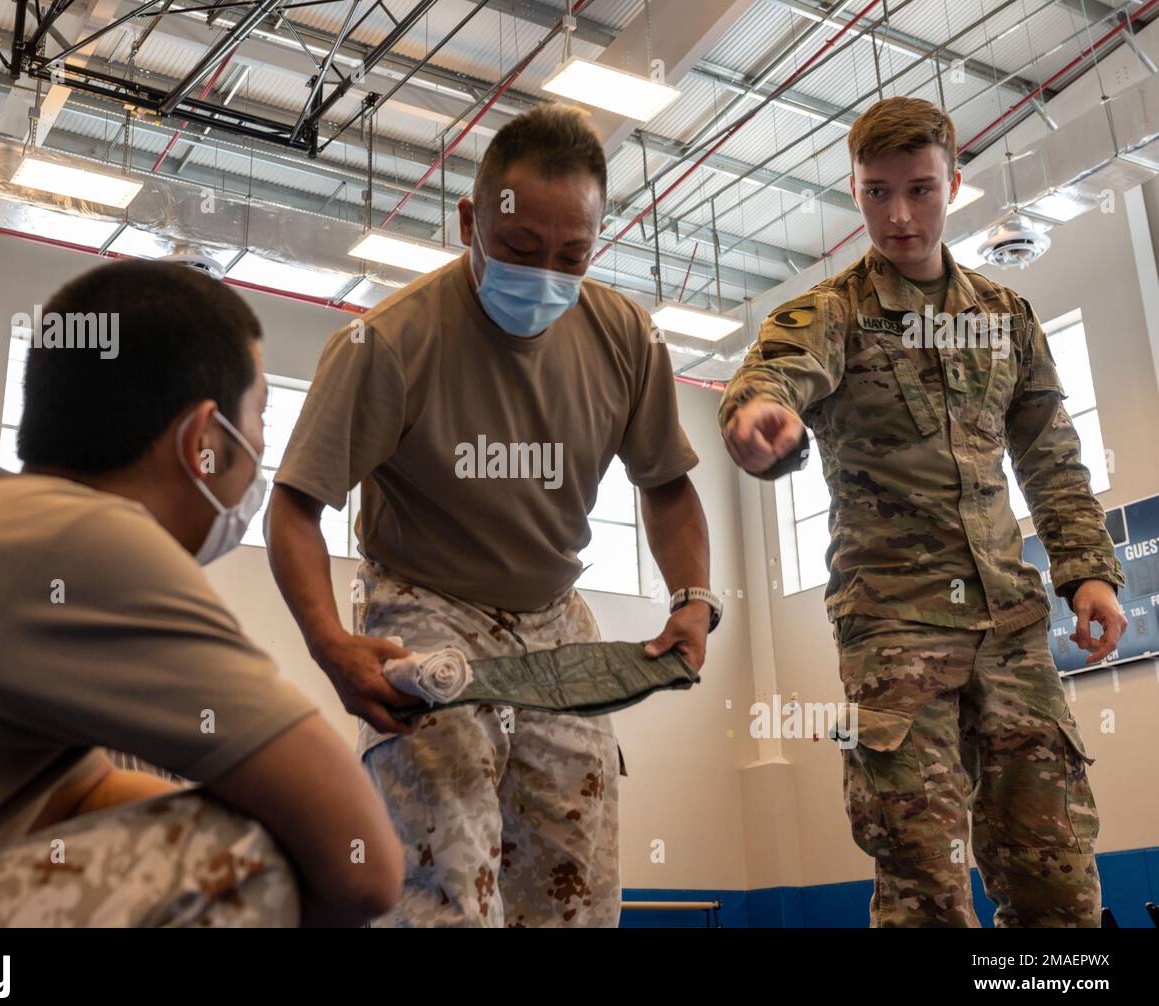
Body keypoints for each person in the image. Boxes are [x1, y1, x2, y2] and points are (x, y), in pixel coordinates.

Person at [266, 102, 716, 927]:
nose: (545, 273)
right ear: (471, 220)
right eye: (518, 249)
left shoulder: (624, 336)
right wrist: (330, 646)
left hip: (555, 620)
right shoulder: (390, 344)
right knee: (447, 882)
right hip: (428, 605)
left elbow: (668, 484)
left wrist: (693, 597)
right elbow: (295, 506)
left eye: (572, 255)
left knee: (574, 888)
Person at [0, 260, 403, 927]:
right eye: (262, 413)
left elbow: (81, 794)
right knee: (241, 860)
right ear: (204, 442)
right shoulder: (89, 540)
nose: (263, 445)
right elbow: (368, 865)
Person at [719, 96, 1126, 927]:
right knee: (923, 880)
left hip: (1010, 626)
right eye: (875, 192)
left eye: (919, 189)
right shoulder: (831, 314)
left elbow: (1051, 458)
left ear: (954, 184)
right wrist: (760, 419)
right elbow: (773, 377)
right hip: (895, 629)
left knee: (1057, 876)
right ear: (855, 190)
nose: (898, 215)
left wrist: (1088, 572)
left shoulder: (1007, 320)